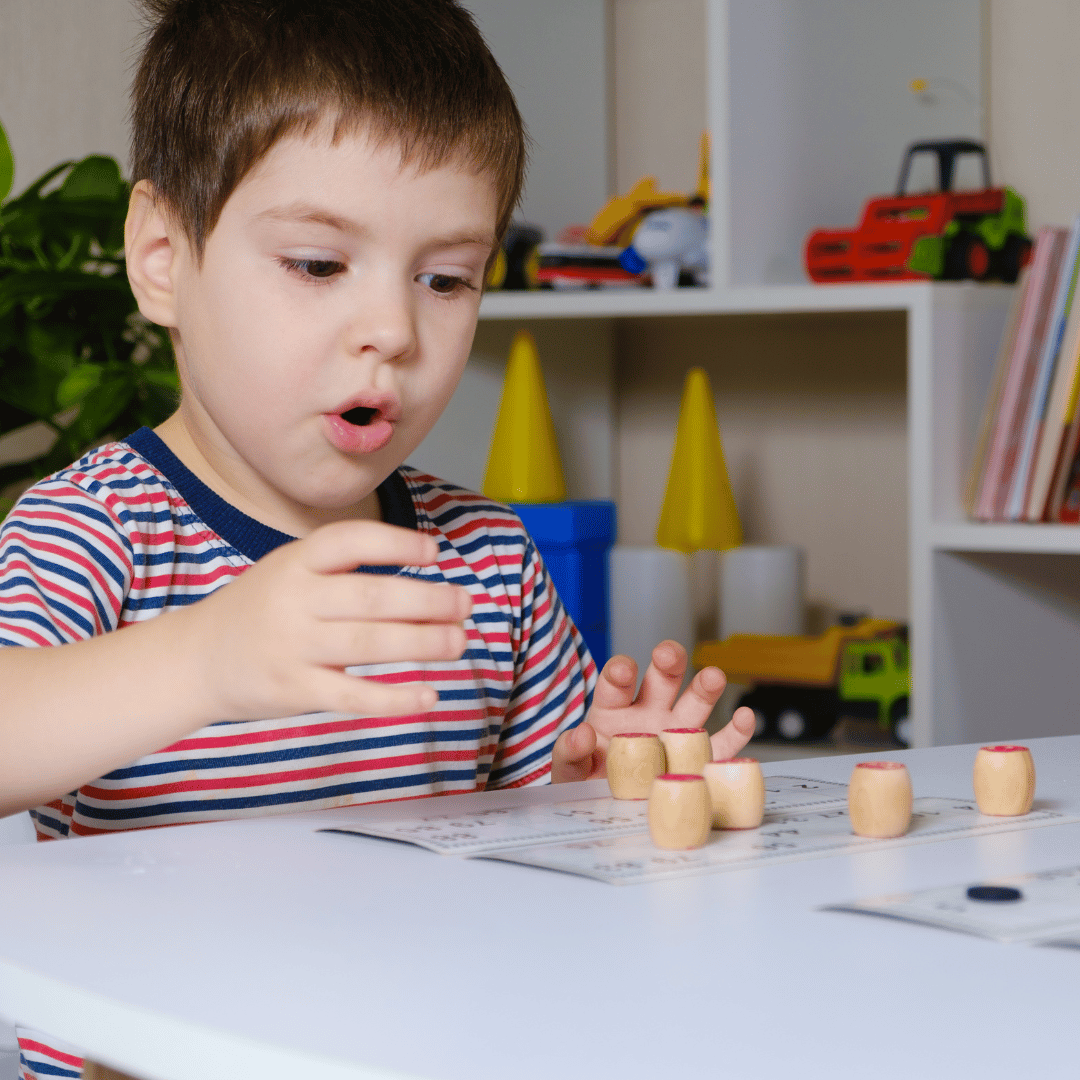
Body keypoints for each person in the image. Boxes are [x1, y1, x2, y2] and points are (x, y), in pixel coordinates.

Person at [1, 2, 754, 1076]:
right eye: (317, 264)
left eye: (445, 279)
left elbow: (526, 836)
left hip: (424, 1042)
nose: (394, 333)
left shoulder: (486, 556)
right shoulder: (99, 530)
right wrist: (204, 657)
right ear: (164, 257)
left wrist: (598, 778)